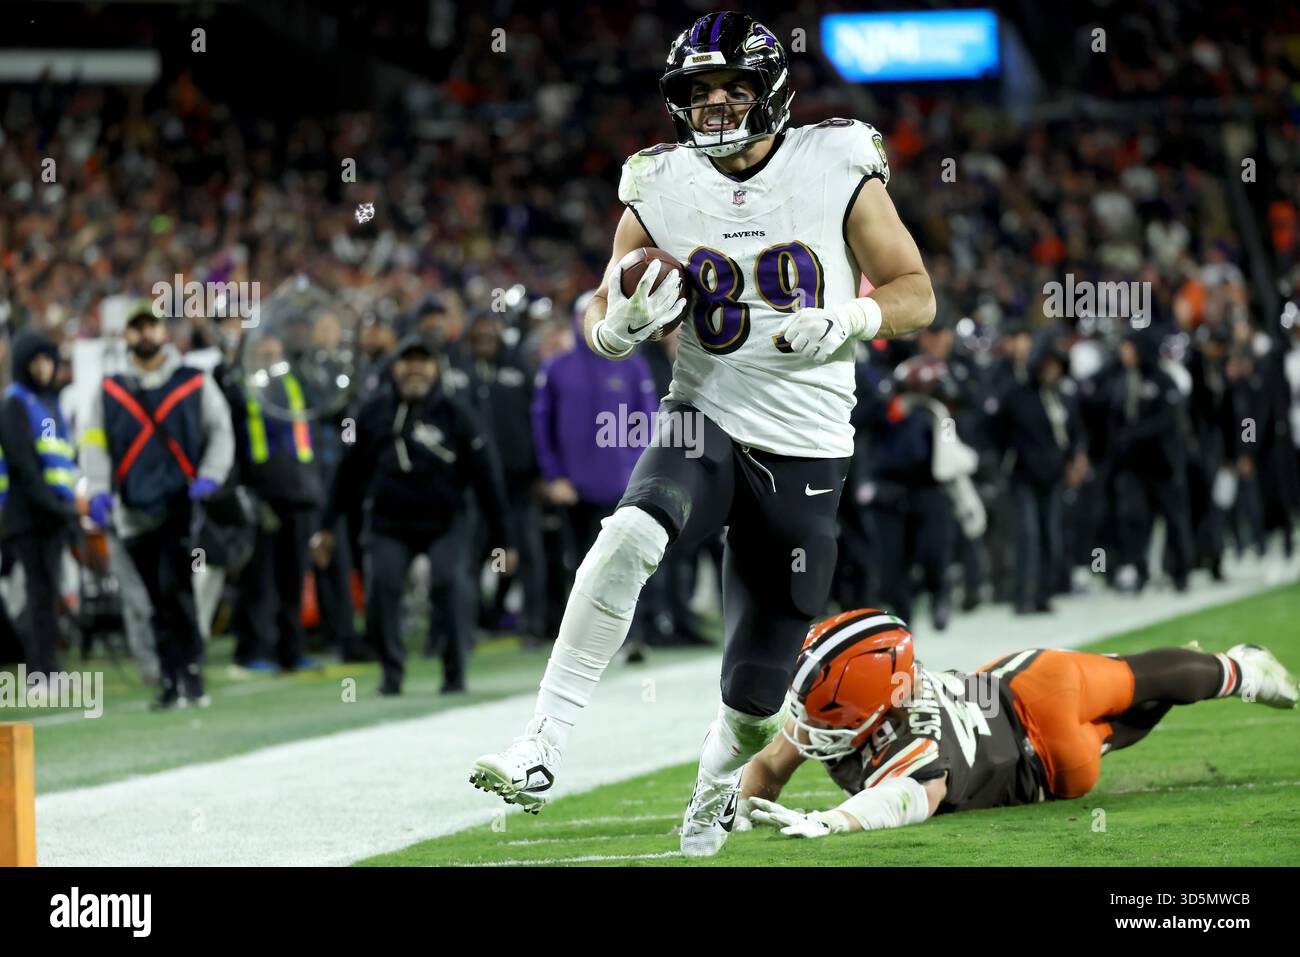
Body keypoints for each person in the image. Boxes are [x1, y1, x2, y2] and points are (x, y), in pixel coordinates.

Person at [471, 12, 935, 858]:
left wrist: (848, 317)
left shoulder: (834, 163)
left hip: (807, 446)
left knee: (755, 703)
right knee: (628, 535)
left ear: (770, 92)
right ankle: (539, 744)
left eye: (732, 89)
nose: (715, 105)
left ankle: (715, 790)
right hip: (705, 413)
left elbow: (916, 290)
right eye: (699, 92)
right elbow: (605, 298)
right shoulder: (659, 180)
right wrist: (613, 329)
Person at [738, 608, 1297, 839]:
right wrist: (741, 812)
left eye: (828, 706)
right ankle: (1239, 669)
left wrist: (836, 820)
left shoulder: (906, 746)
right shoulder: (877, 703)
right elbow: (776, 761)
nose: (808, 722)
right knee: (1138, 680)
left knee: (1130, 709)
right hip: (1029, 690)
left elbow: (910, 798)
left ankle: (1218, 671)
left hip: (1050, 775)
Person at [311, 336, 517, 695]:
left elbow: (488, 477)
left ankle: (454, 674)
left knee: (449, 585)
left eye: (423, 361)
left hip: (445, 522)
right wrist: (326, 528)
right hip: (388, 524)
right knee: (382, 589)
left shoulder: (459, 414)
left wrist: (505, 539)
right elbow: (345, 475)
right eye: (408, 362)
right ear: (395, 368)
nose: (415, 369)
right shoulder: (372, 413)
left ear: (436, 368)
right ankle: (391, 674)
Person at [80, 299, 234, 709]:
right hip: (132, 509)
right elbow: (93, 440)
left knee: (176, 591)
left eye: (152, 325)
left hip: (181, 506)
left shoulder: (192, 381)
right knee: (152, 600)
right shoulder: (111, 389)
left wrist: (211, 475)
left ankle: (191, 673)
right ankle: (171, 678)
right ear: (125, 335)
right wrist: (96, 488)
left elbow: (220, 430)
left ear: (164, 331)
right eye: (137, 327)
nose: (145, 334)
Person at [0, 331, 78, 680]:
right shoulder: (14, 402)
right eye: (37, 361)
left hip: (52, 515)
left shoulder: (49, 403)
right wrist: (56, 508)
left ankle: (47, 666)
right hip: (27, 517)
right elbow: (23, 465)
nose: (44, 368)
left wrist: (66, 507)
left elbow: (60, 462)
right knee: (37, 594)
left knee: (47, 594)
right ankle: (40, 671)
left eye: (49, 360)